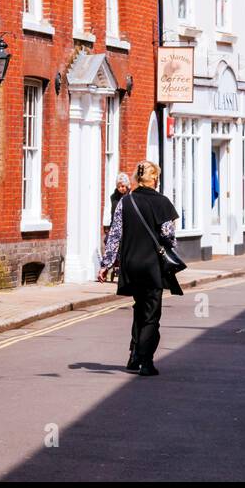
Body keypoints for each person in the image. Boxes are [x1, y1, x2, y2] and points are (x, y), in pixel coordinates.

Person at [98, 160, 183, 377]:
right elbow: (168, 235)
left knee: (139, 306)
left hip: (130, 264)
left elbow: (114, 235)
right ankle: (146, 361)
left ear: (137, 178)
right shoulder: (163, 203)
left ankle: (134, 354)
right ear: (154, 178)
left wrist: (106, 264)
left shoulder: (125, 202)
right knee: (151, 313)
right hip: (152, 265)